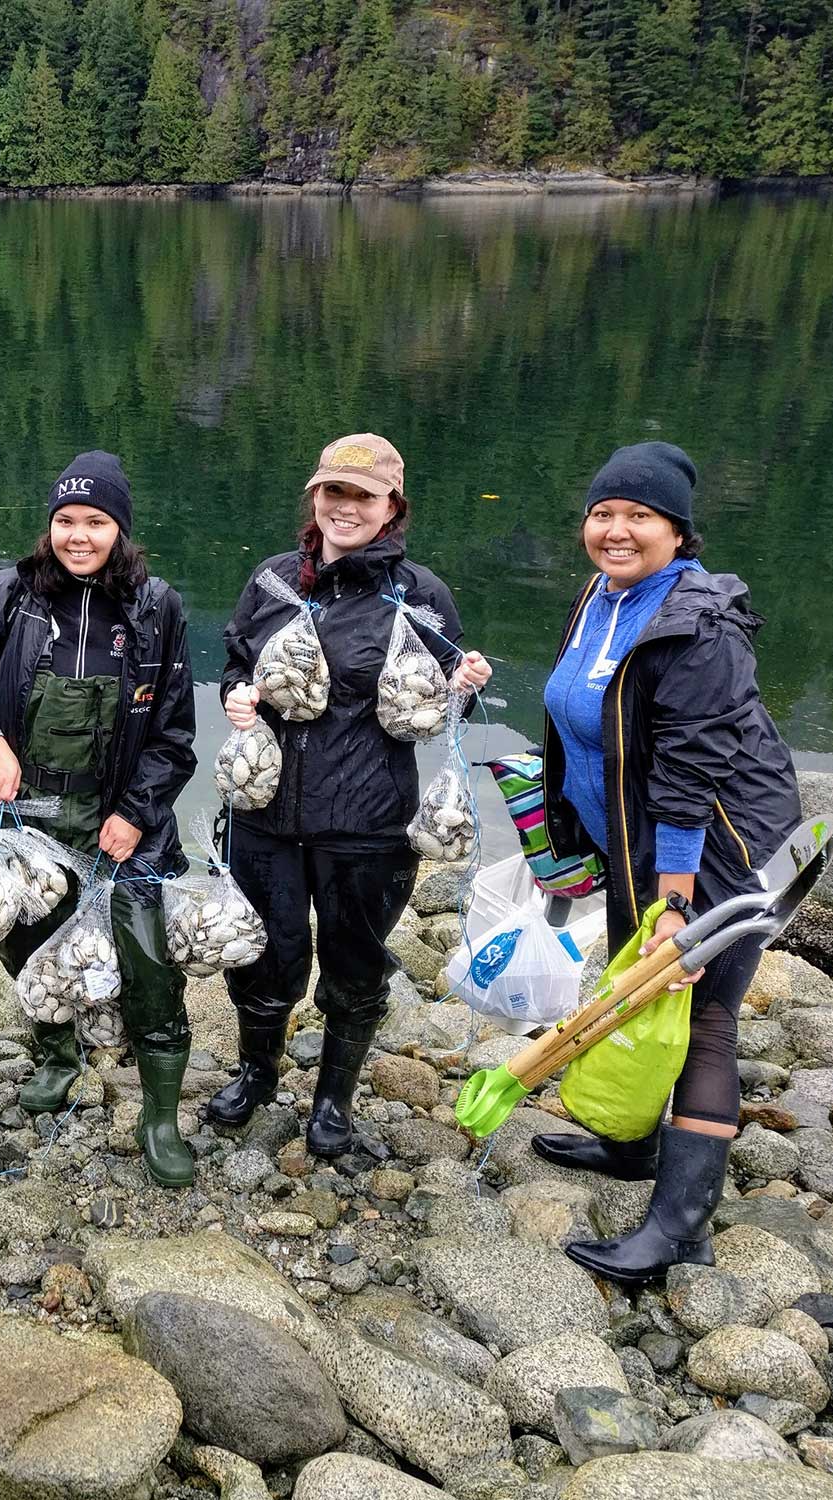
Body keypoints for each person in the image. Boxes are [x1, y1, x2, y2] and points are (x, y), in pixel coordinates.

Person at [533, 441, 801, 1283]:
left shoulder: (698, 626)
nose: (616, 530)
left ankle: (681, 1228)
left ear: (679, 534)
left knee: (701, 1018)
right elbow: (590, 722)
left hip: (723, 848)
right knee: (635, 988)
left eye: (639, 517)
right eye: (603, 513)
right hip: (636, 841)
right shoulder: (603, 596)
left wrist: (676, 908)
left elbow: (687, 777)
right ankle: (633, 1147)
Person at [207, 435, 492, 1157]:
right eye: (334, 492)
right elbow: (235, 664)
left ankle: (333, 1101)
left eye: (363, 496)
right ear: (315, 498)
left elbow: (440, 700)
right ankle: (256, 1074)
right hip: (265, 813)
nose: (345, 507)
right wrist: (238, 696)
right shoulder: (274, 581)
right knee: (262, 956)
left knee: (354, 960)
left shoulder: (419, 595)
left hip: (367, 823)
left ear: (391, 506)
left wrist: (468, 681)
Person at [0, 451, 199, 1187]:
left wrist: (135, 814)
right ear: (49, 526)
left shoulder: (158, 608)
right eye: (65, 521)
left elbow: (175, 738)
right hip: (23, 815)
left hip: (123, 821)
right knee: (25, 943)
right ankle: (58, 1056)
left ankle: (160, 1114)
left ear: (120, 528)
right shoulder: (10, 597)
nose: (78, 536)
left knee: (150, 962)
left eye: (95, 522)